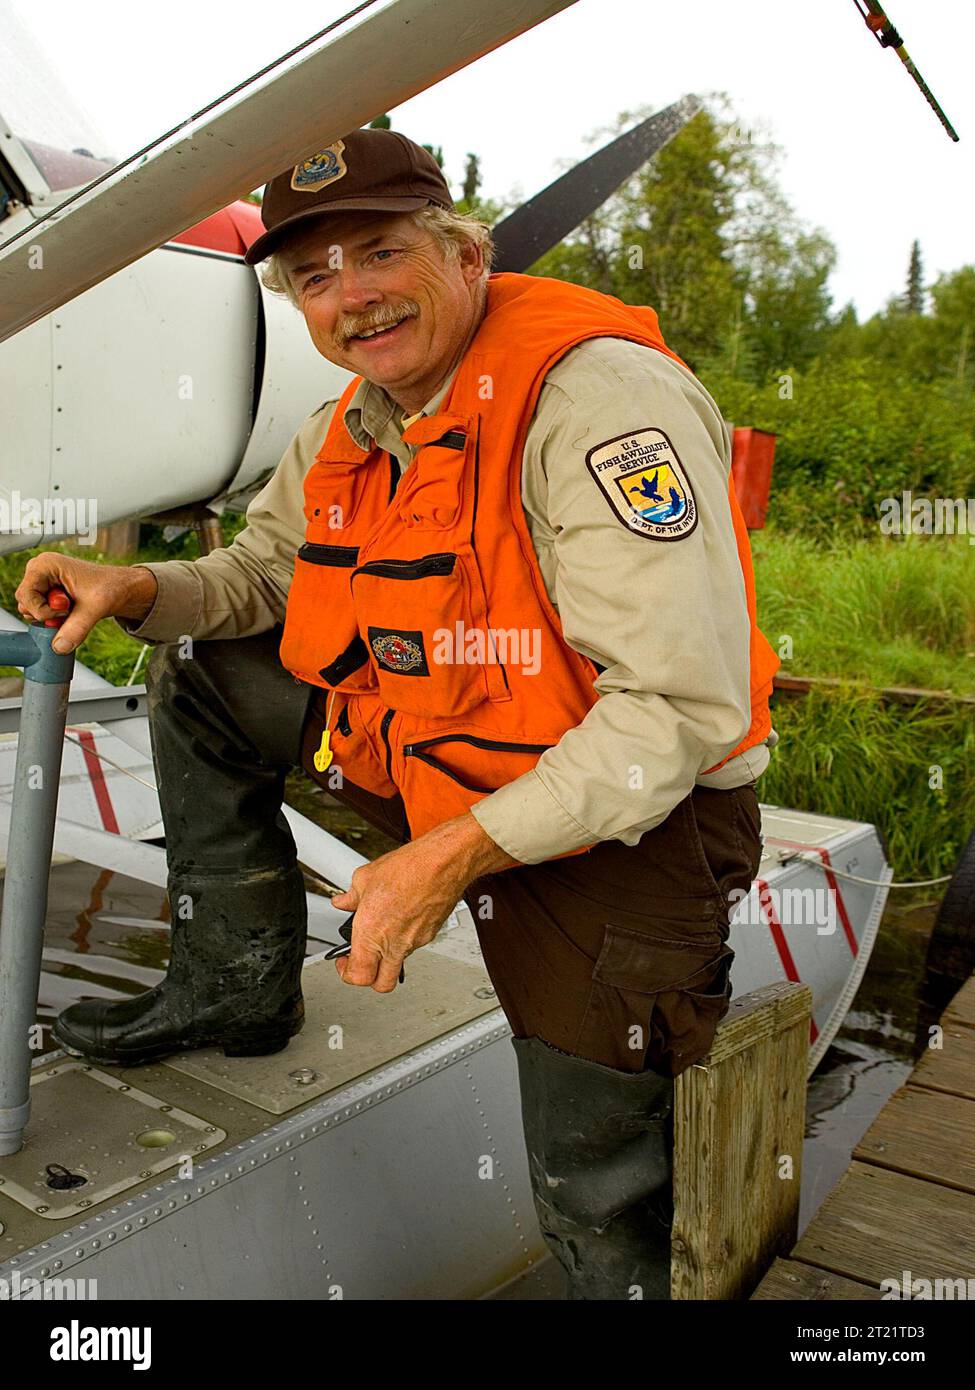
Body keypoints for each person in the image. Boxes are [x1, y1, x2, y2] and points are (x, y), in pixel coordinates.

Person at [16, 127, 779, 1300]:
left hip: (628, 819)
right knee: (202, 675)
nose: (352, 299)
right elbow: (266, 577)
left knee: (596, 1173)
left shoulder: (599, 403)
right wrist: (145, 591)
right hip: (440, 753)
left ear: (466, 252)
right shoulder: (348, 422)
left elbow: (674, 712)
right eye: (316, 277)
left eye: (381, 252)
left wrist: (445, 862)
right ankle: (237, 979)